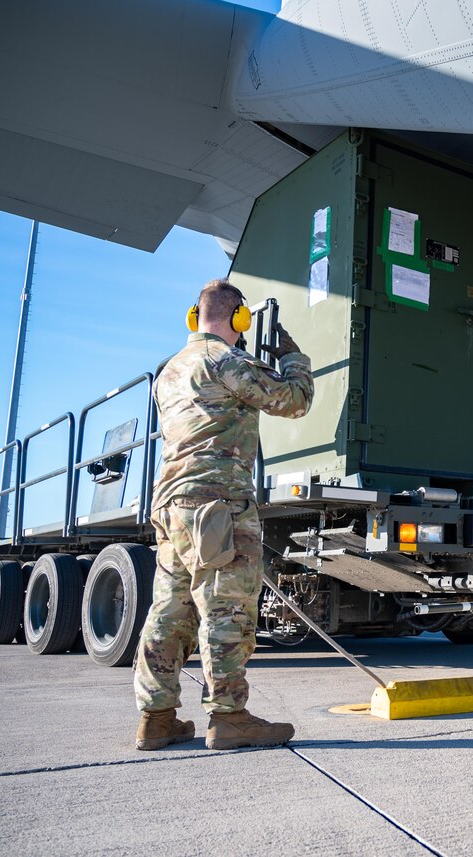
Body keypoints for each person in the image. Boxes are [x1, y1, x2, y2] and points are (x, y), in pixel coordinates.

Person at [133, 278, 314, 751]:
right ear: (239, 319)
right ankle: (229, 716)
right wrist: (293, 358)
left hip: (171, 505)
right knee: (226, 607)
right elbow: (294, 401)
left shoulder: (169, 371)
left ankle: (156, 718)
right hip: (217, 505)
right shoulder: (226, 361)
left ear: (194, 318)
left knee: (170, 610)